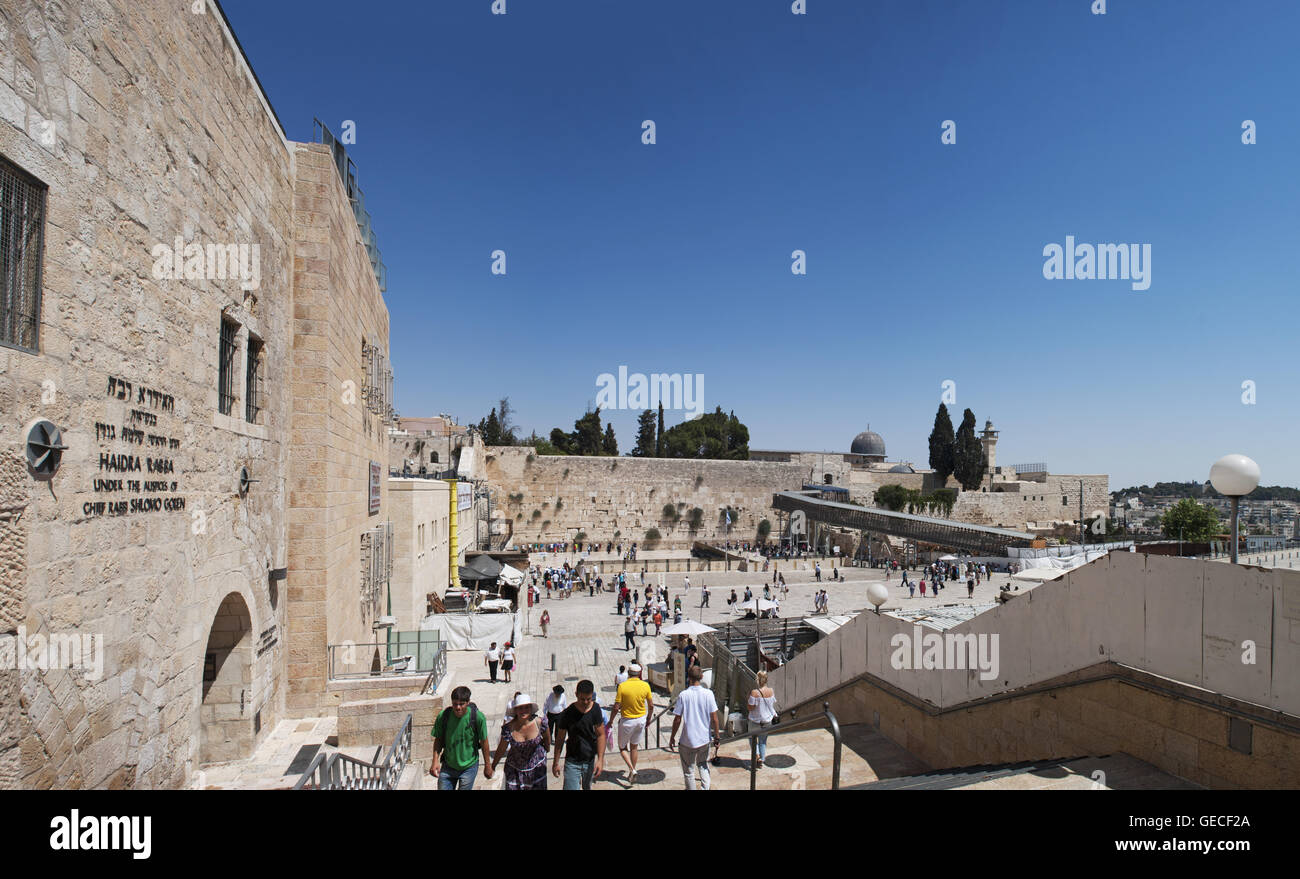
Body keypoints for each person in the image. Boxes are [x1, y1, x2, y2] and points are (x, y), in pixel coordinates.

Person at [429, 686, 493, 790]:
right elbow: (438, 739)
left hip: (469, 767)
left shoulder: (478, 718)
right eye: (455, 704)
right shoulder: (443, 716)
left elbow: (484, 741)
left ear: (468, 702)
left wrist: (488, 765)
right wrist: (435, 761)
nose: (458, 707)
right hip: (448, 766)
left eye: (461, 704)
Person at [668, 665, 719, 790]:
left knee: (689, 771)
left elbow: (677, 719)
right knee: (703, 765)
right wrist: (717, 737)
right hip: (704, 739)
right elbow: (714, 718)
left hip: (688, 740)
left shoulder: (683, 695)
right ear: (701, 677)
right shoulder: (709, 694)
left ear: (688, 677)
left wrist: (672, 737)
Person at [552, 679, 606, 790]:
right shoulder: (567, 713)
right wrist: (556, 762)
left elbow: (601, 735)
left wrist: (600, 760)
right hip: (572, 761)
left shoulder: (595, 709)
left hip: (589, 760)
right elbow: (560, 739)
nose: (586, 702)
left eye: (588, 699)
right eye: (582, 699)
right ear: (576, 694)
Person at [491, 693, 550, 790]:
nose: (523, 711)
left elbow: (547, 739)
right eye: (520, 708)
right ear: (515, 710)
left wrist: (546, 750)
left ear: (531, 709)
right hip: (515, 770)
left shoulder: (540, 723)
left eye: (526, 707)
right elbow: (502, 748)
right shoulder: (508, 728)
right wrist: (493, 765)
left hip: (537, 768)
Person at [609, 663, 653, 784]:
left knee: (623, 747)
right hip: (641, 720)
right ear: (639, 674)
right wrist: (649, 718)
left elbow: (616, 707)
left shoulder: (622, 686)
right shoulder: (645, 685)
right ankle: (631, 772)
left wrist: (611, 721)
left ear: (629, 673)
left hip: (627, 720)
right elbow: (651, 705)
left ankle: (632, 769)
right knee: (634, 747)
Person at [747, 670, 778, 768]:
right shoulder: (771, 691)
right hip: (767, 721)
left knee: (752, 739)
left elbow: (750, 707)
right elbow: (771, 705)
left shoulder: (754, 693)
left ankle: (756, 755)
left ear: (757, 680)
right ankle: (762, 759)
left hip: (755, 721)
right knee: (763, 741)